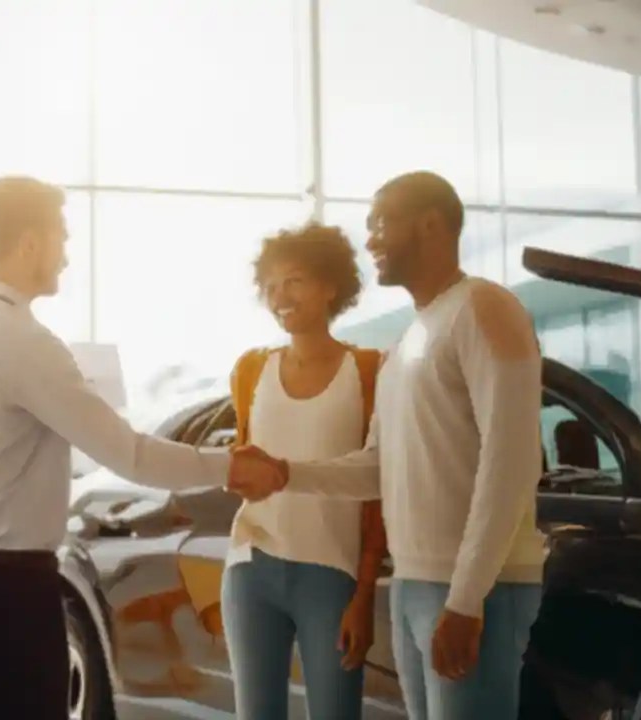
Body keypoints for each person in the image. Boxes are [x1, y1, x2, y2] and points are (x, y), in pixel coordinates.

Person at [0, 176, 231, 720]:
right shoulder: (22, 340)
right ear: (30, 242)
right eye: (61, 238)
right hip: (8, 589)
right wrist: (233, 465)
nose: (65, 256)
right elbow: (132, 456)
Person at [230, 171, 544, 720]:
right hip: (415, 586)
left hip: (474, 590)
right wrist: (285, 473)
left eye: (381, 223)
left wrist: (466, 600)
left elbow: (512, 460)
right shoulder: (408, 340)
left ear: (430, 224)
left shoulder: (485, 308)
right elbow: (376, 468)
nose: (370, 238)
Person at [223, 222, 388, 720]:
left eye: (293, 281)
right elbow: (244, 464)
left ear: (329, 285)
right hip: (252, 566)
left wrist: (363, 595)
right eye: (271, 287)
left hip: (332, 574)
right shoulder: (251, 370)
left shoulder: (368, 371)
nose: (280, 297)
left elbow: (375, 491)